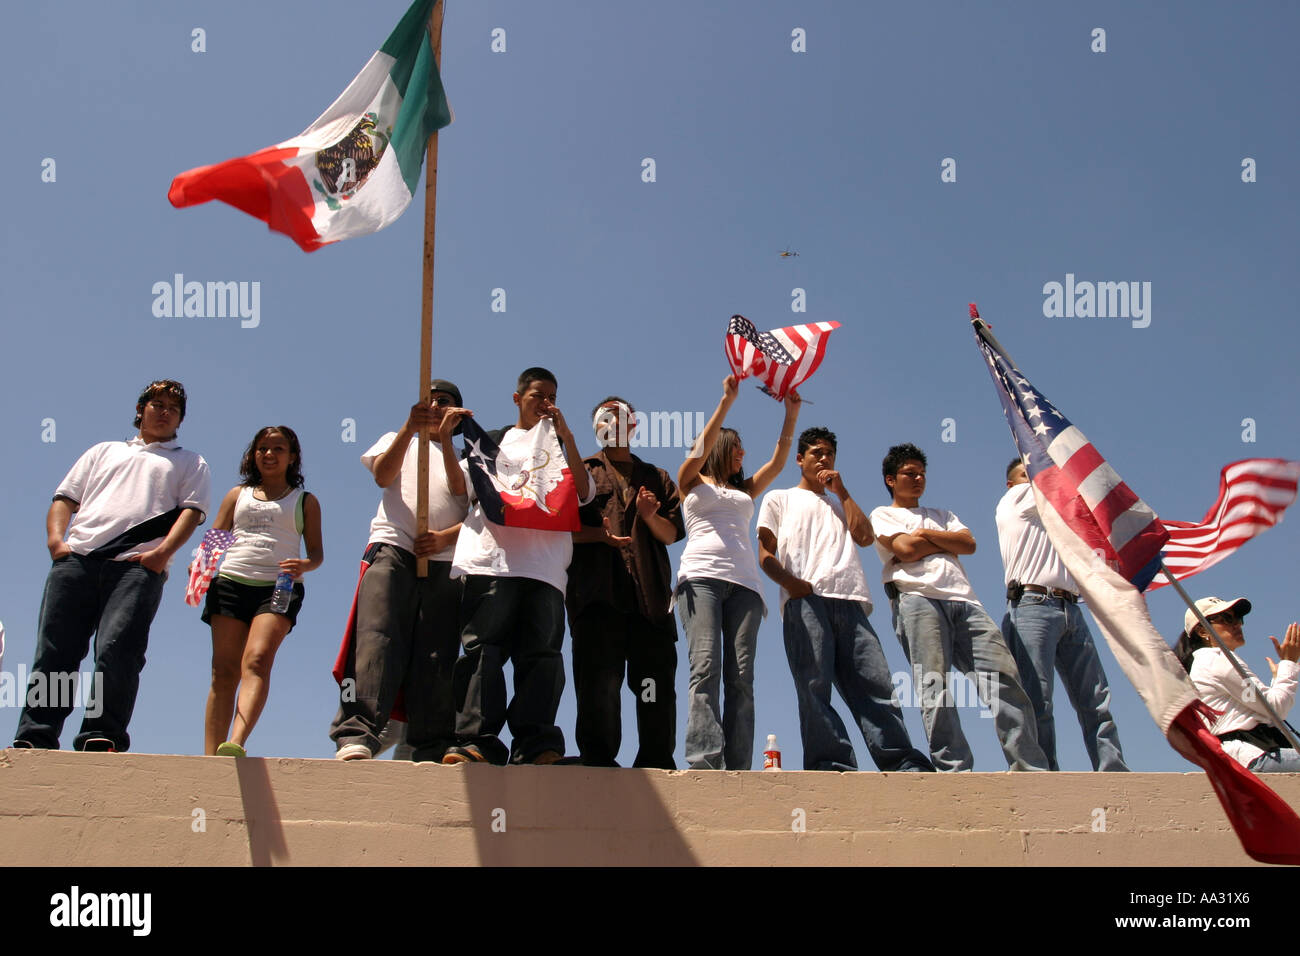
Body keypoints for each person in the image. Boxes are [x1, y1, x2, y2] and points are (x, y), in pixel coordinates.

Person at [12, 380, 210, 753]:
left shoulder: (190, 462)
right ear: (141, 409)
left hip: (136, 568)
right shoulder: (103, 451)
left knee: (118, 651)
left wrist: (161, 554)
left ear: (181, 419)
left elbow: (192, 512)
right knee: (55, 651)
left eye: (173, 407)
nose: (164, 411)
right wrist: (57, 542)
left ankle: (100, 735)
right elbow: (64, 498)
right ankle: (35, 735)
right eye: (157, 403)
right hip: (77, 561)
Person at [439, 367, 594, 765]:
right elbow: (461, 490)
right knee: (482, 651)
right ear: (517, 397)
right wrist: (444, 439)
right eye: (537, 395)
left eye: (552, 397)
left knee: (541, 657)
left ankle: (536, 744)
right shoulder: (493, 441)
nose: (546, 403)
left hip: (545, 569)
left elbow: (583, 493)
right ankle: (478, 742)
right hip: (492, 562)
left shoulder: (561, 445)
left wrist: (569, 438)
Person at [756, 427, 933, 772]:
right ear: (800, 459)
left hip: (852, 600)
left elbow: (865, 537)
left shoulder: (840, 503)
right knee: (814, 687)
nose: (823, 459)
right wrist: (793, 585)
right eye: (816, 453)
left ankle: (901, 763)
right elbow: (764, 553)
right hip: (806, 601)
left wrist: (842, 491)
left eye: (829, 454)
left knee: (876, 686)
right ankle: (832, 765)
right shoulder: (779, 498)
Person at [869, 443, 1046, 772]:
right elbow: (905, 550)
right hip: (917, 599)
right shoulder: (882, 514)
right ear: (891, 479)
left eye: (922, 473)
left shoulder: (943, 514)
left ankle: (1029, 768)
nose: (919, 478)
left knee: (1004, 678)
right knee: (934, 685)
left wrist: (924, 533)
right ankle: (955, 770)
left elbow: (969, 544)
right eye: (910, 473)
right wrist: (939, 540)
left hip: (965, 600)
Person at [330, 381, 469, 762]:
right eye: (432, 400)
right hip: (393, 546)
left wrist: (443, 539)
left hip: (444, 562)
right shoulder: (396, 439)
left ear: (458, 416)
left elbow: (478, 513)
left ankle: (431, 744)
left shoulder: (470, 459)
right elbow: (382, 475)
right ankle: (357, 732)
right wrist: (410, 429)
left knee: (437, 653)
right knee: (377, 638)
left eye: (446, 403)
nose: (437, 406)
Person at [676, 374, 801, 769]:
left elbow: (779, 461)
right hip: (700, 579)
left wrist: (791, 414)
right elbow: (699, 451)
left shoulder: (745, 490)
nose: (743, 454)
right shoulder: (690, 481)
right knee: (705, 669)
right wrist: (726, 401)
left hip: (745, 586)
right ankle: (704, 761)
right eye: (737, 448)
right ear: (721, 448)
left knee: (741, 678)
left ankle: (739, 766)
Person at [565, 397, 685, 768]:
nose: (614, 424)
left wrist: (649, 515)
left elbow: (670, 534)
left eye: (621, 418)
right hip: (598, 597)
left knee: (652, 687)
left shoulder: (658, 477)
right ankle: (598, 761)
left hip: (649, 601)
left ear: (633, 426)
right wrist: (597, 536)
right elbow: (560, 533)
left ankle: (655, 760)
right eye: (606, 418)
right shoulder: (580, 472)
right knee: (600, 683)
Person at [995, 458, 1127, 771]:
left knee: (1095, 698)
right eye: (1025, 474)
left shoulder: (1058, 519)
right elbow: (1060, 483)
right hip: (1032, 605)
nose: (1034, 477)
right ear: (1011, 484)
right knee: (1037, 699)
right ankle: (1045, 775)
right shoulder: (1014, 501)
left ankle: (1113, 771)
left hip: (1071, 608)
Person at [202, 426, 323, 757]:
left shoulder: (306, 501)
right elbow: (217, 536)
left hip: (278, 587)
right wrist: (201, 564)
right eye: (263, 448)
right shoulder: (236, 494)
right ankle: (210, 756)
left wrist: (305, 565)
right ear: (253, 454)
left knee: (256, 660)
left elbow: (316, 554)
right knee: (223, 669)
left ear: (292, 456)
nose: (269, 454)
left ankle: (236, 742)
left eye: (278, 449)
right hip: (230, 580)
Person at [1173, 596, 1300, 773]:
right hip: (1253, 757)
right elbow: (1275, 708)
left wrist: (1279, 679)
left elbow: (1265, 711)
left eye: (1238, 618)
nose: (1237, 624)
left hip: (1244, 758)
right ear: (1202, 631)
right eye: (1226, 619)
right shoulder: (1216, 659)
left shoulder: (1206, 662)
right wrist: (1289, 663)